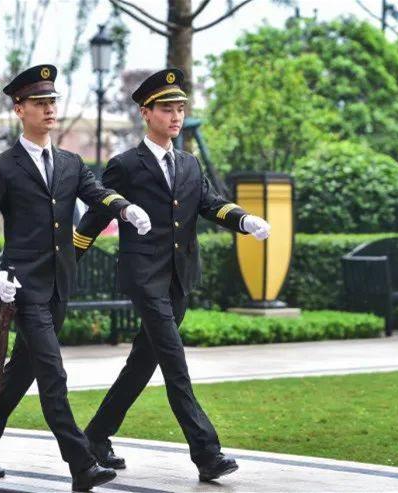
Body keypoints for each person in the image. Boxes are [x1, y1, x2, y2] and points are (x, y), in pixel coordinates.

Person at [74, 68, 271, 483]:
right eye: (167, 109)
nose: (176, 116)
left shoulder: (189, 163)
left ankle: (95, 436)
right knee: (174, 363)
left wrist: (243, 219)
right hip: (144, 278)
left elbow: (210, 203)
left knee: (142, 363)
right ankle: (207, 453)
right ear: (146, 113)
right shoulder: (125, 165)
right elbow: (96, 216)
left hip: (179, 277)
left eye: (180, 108)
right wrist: (63, 261)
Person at [0, 64, 152, 492]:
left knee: (20, 373)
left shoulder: (69, 163)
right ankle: (81, 465)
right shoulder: (2, 168)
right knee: (53, 375)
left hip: (59, 285)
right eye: (39, 102)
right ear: (19, 109)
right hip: (23, 289)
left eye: (52, 101)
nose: (49, 109)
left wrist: (124, 208)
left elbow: (97, 193)